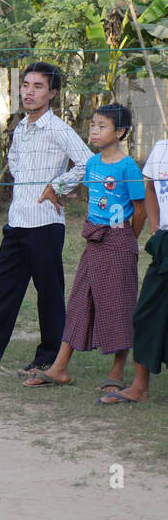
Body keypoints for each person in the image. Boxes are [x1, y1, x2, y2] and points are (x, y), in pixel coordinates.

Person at [0, 62, 91, 371]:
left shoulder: (58, 129)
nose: (29, 91)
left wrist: (58, 185)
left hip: (45, 223)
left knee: (49, 295)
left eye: (38, 86)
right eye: (25, 85)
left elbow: (87, 163)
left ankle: (49, 360)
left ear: (52, 93)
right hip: (17, 221)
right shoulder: (21, 127)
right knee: (2, 288)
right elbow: (13, 161)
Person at [24, 104, 145, 388]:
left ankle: (116, 373)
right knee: (80, 302)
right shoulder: (91, 164)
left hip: (119, 241)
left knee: (119, 306)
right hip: (94, 241)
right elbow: (94, 199)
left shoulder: (128, 167)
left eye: (102, 126)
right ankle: (59, 369)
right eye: (93, 125)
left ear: (121, 132)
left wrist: (127, 240)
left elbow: (139, 212)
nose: (94, 131)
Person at [100, 134, 168, 405]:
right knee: (147, 313)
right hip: (164, 242)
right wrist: (154, 228)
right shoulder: (163, 147)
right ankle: (140, 386)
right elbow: (150, 188)